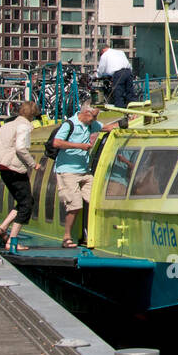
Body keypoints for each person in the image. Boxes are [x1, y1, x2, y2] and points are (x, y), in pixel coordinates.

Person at [0, 102, 42, 252]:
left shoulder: (7, 125)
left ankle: (2, 228)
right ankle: (12, 242)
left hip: (3, 168)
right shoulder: (25, 127)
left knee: (24, 200)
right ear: (32, 115)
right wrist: (32, 163)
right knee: (26, 205)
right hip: (13, 167)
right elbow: (21, 148)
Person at [52, 101, 105, 248]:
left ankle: (94, 234)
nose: (95, 120)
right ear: (85, 113)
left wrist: (129, 122)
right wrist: (80, 146)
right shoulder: (69, 124)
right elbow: (56, 143)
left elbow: (106, 127)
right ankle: (67, 237)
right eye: (93, 116)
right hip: (67, 170)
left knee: (96, 199)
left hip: (84, 171)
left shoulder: (91, 124)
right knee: (74, 205)